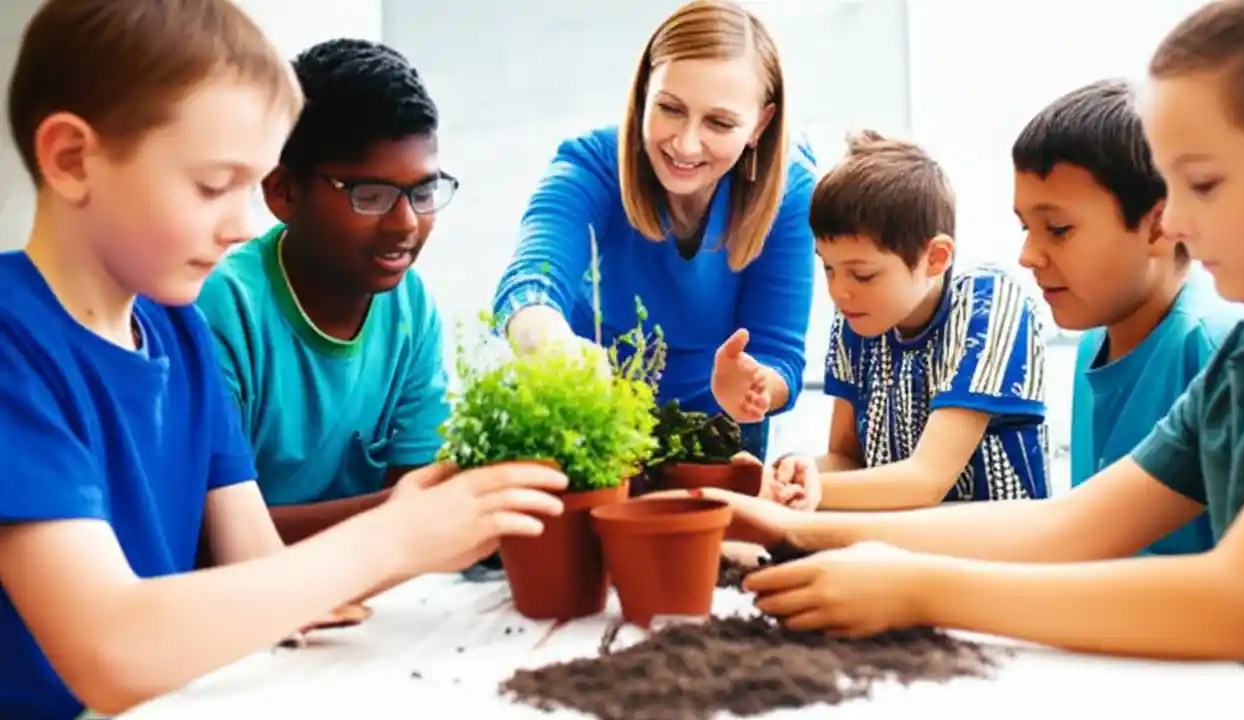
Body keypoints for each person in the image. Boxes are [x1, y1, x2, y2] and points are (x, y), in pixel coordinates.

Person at [685, 0, 1244, 682]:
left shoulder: (1201, 335)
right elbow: (1066, 526)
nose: (1172, 218)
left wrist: (917, 587)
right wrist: (789, 528)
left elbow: (1243, 601)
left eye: (1203, 183)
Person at [0, 2, 566, 718]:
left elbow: (264, 572)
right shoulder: (12, 343)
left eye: (250, 185)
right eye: (212, 186)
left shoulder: (178, 334)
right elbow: (109, 652)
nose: (242, 225)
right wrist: (394, 532)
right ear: (73, 158)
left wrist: (439, 516)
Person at [490, 0, 817, 461]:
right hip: (592, 429)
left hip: (717, 445)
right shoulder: (591, 164)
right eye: (670, 108)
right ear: (644, 92)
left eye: (719, 122)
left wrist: (754, 386)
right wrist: (552, 347)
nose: (685, 143)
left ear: (760, 124)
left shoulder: (792, 191)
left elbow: (779, 352)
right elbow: (530, 281)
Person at [197, 38, 456, 544]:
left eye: (423, 193)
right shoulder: (222, 313)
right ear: (283, 192)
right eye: (371, 196)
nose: (405, 224)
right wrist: (400, 512)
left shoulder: (410, 305)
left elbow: (417, 479)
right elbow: (208, 535)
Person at [1014, 78, 1244, 555]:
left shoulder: (1215, 347)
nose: (1028, 255)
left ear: (1158, 225)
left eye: (1057, 229)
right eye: (1025, 227)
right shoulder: (1088, 346)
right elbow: (1075, 529)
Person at [768, 131, 1050, 511]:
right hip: (897, 541)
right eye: (828, 267)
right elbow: (847, 461)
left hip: (997, 549)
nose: (839, 291)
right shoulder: (857, 319)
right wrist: (779, 475)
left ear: (935, 257)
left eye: (863, 274)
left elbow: (926, 480)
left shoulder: (990, 304)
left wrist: (802, 488)